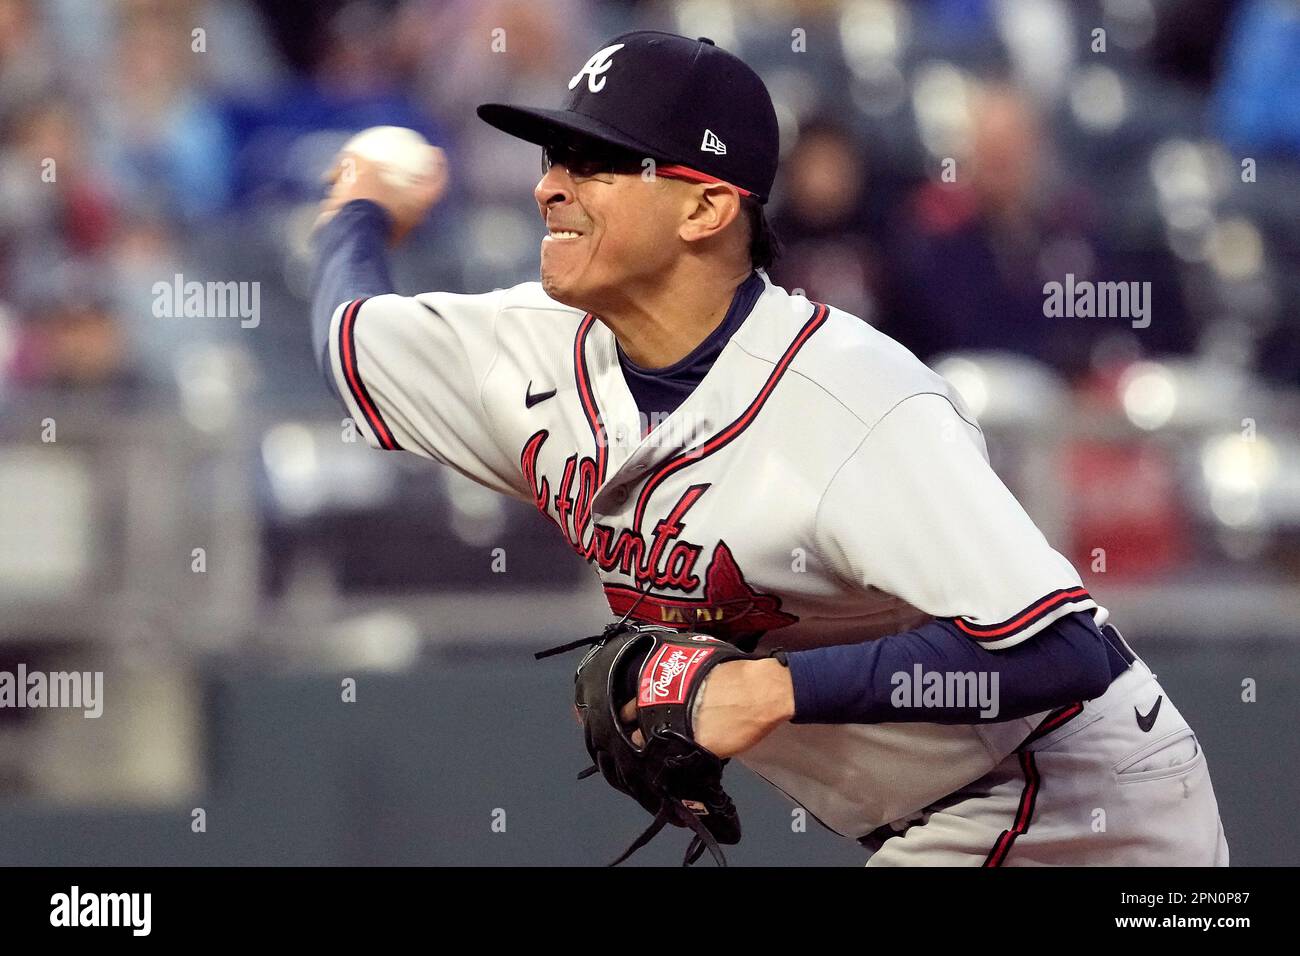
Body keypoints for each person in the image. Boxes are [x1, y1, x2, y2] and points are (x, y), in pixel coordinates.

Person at [308, 31, 1227, 865]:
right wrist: (357, 212)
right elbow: (349, 341)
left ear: (706, 208)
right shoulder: (529, 349)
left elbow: (1059, 650)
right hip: (931, 815)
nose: (550, 185)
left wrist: (766, 692)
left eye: (595, 163)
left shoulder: (857, 404)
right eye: (554, 156)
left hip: (1080, 803)